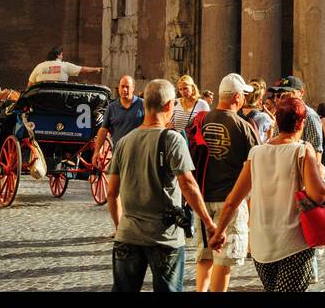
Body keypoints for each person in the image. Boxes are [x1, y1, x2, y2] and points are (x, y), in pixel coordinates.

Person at [210, 95, 325, 292]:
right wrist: (320, 172)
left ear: (276, 120)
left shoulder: (256, 153)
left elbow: (232, 200)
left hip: (261, 247)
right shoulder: (302, 152)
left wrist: (219, 231)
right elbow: (319, 196)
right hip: (294, 245)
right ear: (302, 122)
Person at [106, 79, 215, 292]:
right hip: (165, 238)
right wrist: (209, 224)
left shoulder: (124, 142)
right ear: (168, 106)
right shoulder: (173, 140)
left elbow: (111, 193)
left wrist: (120, 227)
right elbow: (188, 185)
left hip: (128, 235)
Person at [192, 73, 257, 292]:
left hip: (202, 199)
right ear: (237, 98)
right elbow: (255, 166)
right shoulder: (244, 127)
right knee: (224, 260)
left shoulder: (201, 121)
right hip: (230, 200)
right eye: (244, 96)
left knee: (205, 253)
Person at [93, 76, 144, 158]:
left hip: (139, 154)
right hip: (118, 154)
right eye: (122, 86)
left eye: (127, 87)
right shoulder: (111, 107)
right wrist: (97, 152)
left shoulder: (143, 105)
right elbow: (103, 130)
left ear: (133, 88)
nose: (124, 90)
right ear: (119, 88)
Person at [27, 47, 101, 85]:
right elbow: (83, 69)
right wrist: (96, 69)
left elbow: (30, 84)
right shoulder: (64, 66)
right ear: (58, 55)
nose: (62, 56)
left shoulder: (39, 66)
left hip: (41, 100)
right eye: (62, 54)